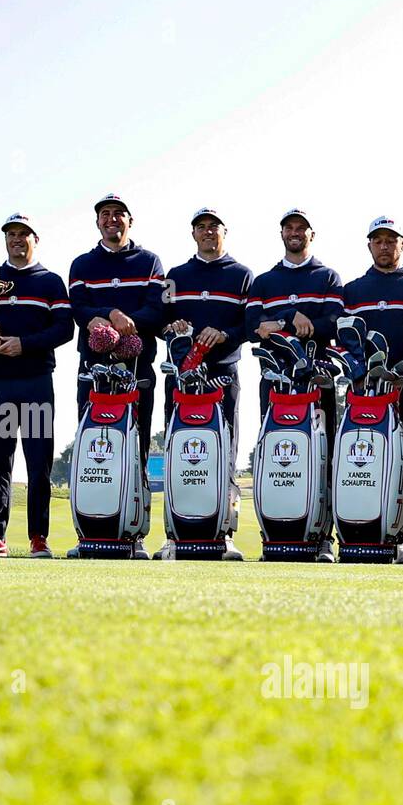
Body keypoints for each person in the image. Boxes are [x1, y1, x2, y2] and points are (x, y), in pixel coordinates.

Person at [0, 213, 74, 558]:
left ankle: (38, 537)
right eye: (11, 234)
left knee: (37, 461)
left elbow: (64, 329)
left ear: (35, 239)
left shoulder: (51, 282)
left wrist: (24, 343)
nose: (16, 239)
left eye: (23, 234)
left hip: (36, 382)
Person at [68, 193, 167, 559]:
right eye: (105, 215)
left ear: (130, 221)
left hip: (137, 370)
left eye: (118, 215)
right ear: (97, 222)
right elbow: (77, 308)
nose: (112, 220)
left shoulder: (150, 262)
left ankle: (135, 533)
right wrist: (106, 313)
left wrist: (127, 324)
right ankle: (87, 534)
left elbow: (156, 312)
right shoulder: (82, 264)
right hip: (91, 372)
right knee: (91, 449)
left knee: (136, 452)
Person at [246, 208, 345, 562]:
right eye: (289, 227)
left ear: (311, 235)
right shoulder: (264, 281)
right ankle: (274, 536)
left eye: (301, 228)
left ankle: (323, 538)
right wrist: (290, 317)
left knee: (325, 456)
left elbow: (334, 322)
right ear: (281, 233)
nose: (295, 233)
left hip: (318, 379)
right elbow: (250, 326)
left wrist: (283, 323)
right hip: (275, 380)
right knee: (277, 456)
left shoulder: (328, 277)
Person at [159, 207, 252, 561]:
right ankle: (173, 534)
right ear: (193, 234)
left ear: (224, 232)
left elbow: (251, 324)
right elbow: (160, 321)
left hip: (223, 376)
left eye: (215, 227)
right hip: (181, 378)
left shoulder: (243, 276)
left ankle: (225, 534)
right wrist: (173, 328)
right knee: (176, 453)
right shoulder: (176, 275)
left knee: (226, 454)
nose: (208, 232)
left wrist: (225, 333)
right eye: (201, 227)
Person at [341, 216, 403, 564]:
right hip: (362, 390)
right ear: (369, 245)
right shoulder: (353, 290)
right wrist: (358, 371)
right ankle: (356, 530)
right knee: (359, 459)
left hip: (402, 389)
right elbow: (344, 337)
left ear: (402, 244)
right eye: (377, 240)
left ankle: (402, 535)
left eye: (390, 240)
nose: (384, 245)